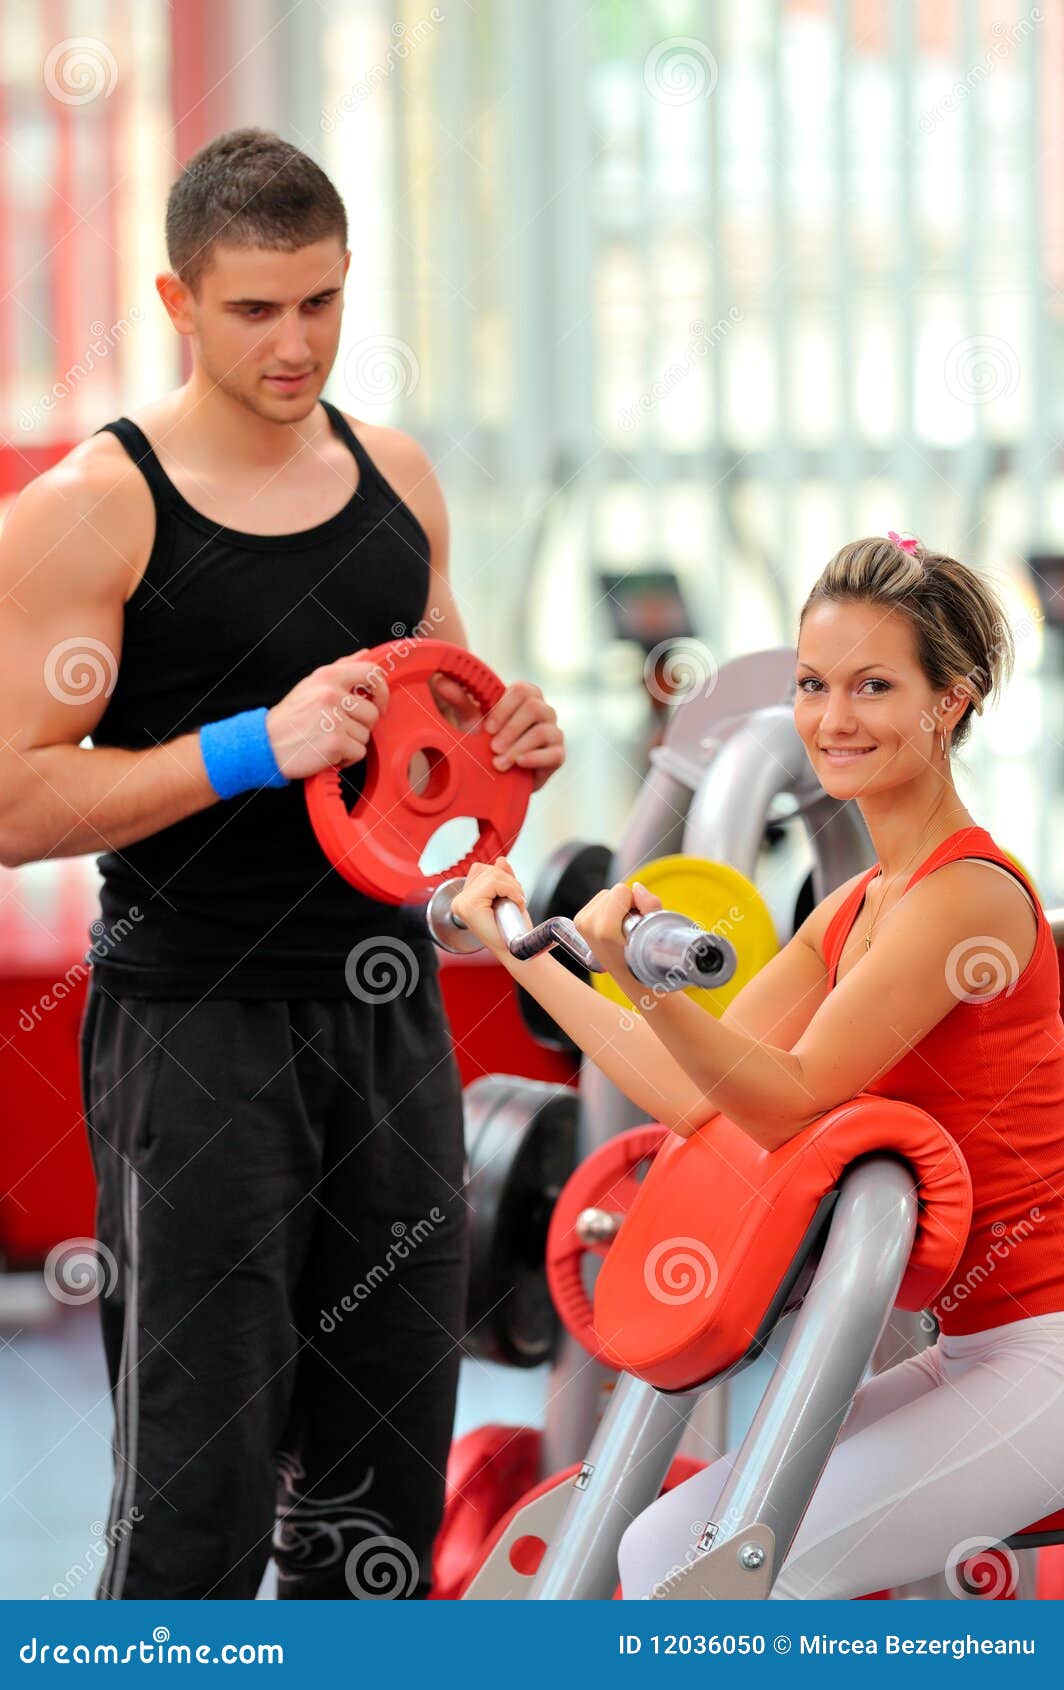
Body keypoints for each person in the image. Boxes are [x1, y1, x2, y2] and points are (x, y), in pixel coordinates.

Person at [0, 127, 565, 1599]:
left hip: (386, 1022)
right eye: (256, 309)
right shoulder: (93, 508)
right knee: (198, 1505)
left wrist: (508, 742)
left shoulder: (398, 480)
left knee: (379, 1502)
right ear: (179, 303)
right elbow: (8, 803)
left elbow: (435, 762)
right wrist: (257, 744)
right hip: (196, 1029)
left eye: (319, 302)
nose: (295, 340)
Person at [452, 531, 1064, 1600]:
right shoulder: (853, 907)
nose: (830, 719)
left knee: (749, 1583)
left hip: (1044, 1354)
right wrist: (531, 952)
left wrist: (642, 981)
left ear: (949, 702)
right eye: (811, 684)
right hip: (970, 1350)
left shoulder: (968, 900)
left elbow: (785, 1099)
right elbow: (697, 1092)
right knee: (654, 1555)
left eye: (873, 685)